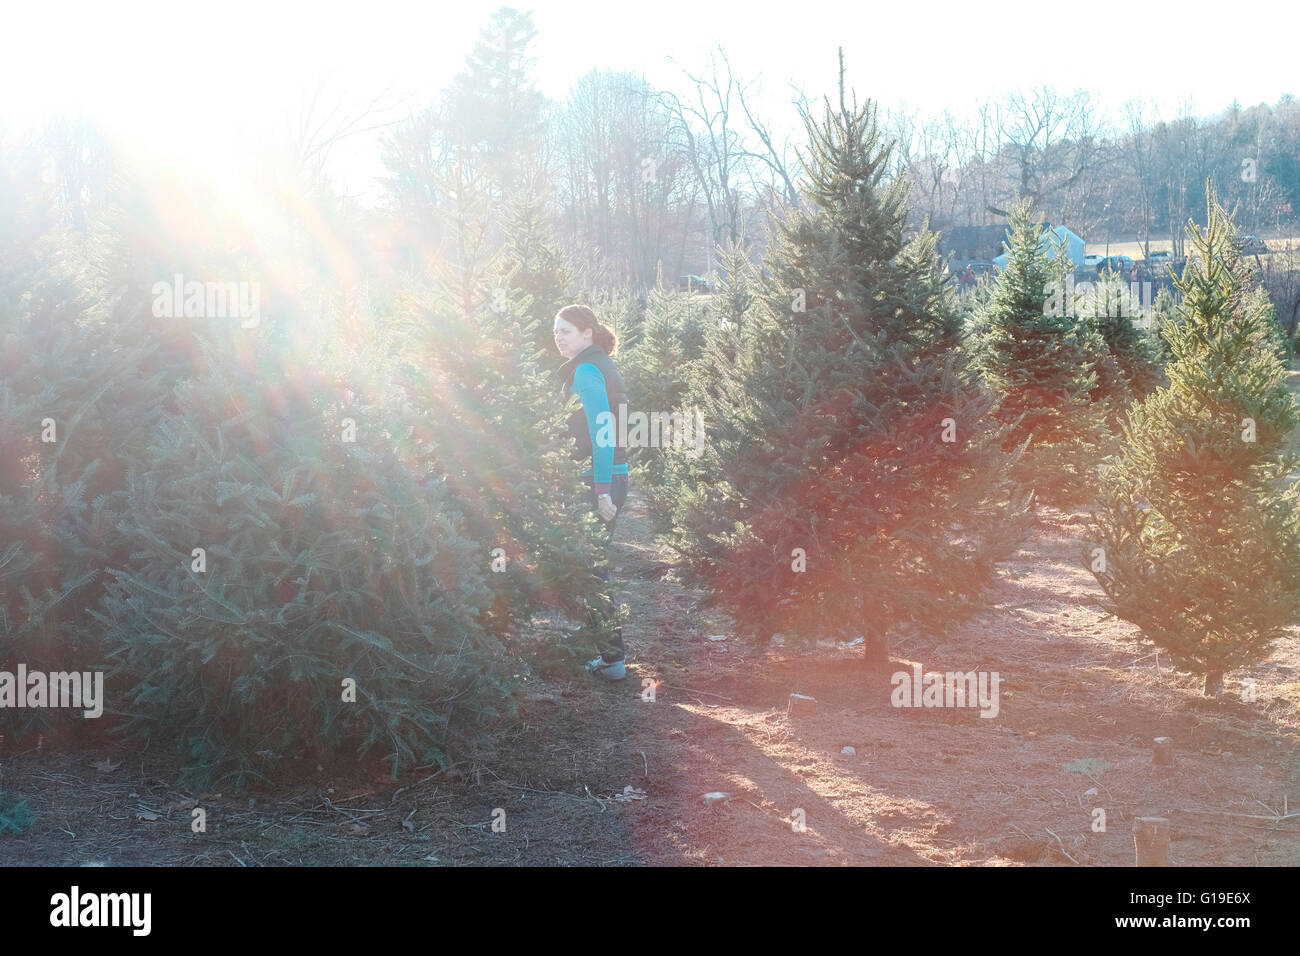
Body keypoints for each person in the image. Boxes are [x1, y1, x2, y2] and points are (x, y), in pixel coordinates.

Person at [553, 304, 630, 681]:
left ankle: (612, 659)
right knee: (594, 568)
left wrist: (601, 493)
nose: (558, 338)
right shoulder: (602, 364)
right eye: (555, 331)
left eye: (565, 330)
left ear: (587, 332)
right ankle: (607, 652)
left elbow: (602, 433)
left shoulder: (586, 370)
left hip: (599, 478)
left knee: (594, 570)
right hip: (612, 475)